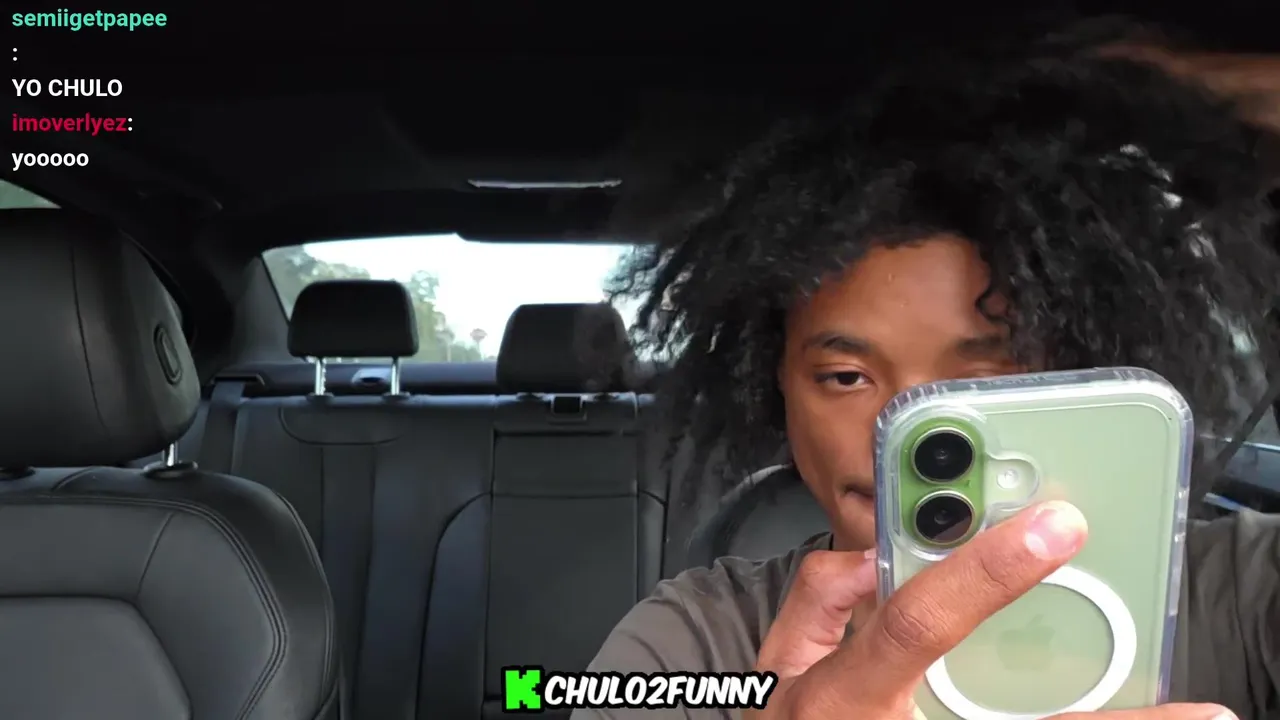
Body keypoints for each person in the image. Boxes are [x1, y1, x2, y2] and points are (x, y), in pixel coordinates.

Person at [578, 17, 1280, 720]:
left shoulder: (1247, 591)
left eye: (984, 376)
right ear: (774, 386)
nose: (905, 430)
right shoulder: (690, 644)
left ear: (1080, 372)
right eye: (846, 376)